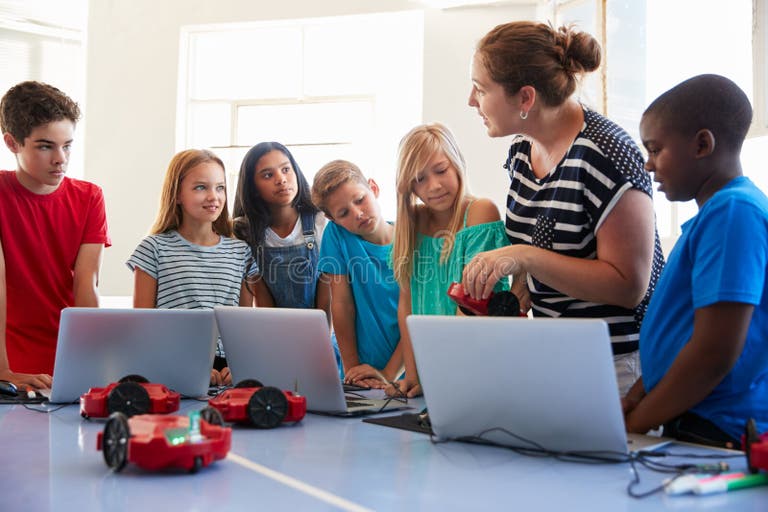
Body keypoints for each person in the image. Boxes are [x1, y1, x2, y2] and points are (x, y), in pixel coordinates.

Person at [462, 21, 664, 394]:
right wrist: (516, 291)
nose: (471, 101)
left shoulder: (607, 154)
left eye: (480, 89)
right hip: (556, 352)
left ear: (525, 98)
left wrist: (524, 257)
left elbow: (628, 286)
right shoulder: (522, 153)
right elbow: (546, 250)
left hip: (617, 365)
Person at [622, 74, 767, 448]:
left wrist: (637, 421)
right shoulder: (715, 215)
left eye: (655, 149)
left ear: (702, 144)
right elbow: (684, 332)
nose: (649, 165)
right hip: (696, 419)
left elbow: (713, 353)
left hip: (721, 429)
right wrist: (638, 394)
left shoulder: (733, 212)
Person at [0, 81, 111, 389]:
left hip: (69, 358)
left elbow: (86, 284)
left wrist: (94, 361)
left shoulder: (90, 197)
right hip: (9, 364)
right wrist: (3, 373)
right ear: (12, 143)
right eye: (45, 146)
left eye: (68, 145)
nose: (61, 158)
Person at [390, 122, 510, 397]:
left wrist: (442, 376)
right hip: (432, 372)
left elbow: (469, 305)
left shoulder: (480, 211)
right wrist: (412, 373)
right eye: (419, 179)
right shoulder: (412, 222)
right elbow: (406, 305)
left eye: (441, 170)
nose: (433, 186)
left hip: (474, 367)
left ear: (457, 163)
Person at [126, 149, 256, 386]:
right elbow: (142, 328)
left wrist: (238, 367)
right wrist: (184, 368)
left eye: (220, 187)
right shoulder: (153, 248)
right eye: (200, 187)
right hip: (170, 365)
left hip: (226, 372)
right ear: (176, 195)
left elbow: (242, 328)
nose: (213, 196)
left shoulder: (241, 252)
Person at [232, 142, 340, 372]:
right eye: (267, 175)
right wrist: (275, 346)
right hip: (272, 334)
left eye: (285, 169)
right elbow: (260, 297)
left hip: (320, 334)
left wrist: (318, 344)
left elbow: (326, 295)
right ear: (252, 188)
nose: (281, 179)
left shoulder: (321, 221)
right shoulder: (244, 231)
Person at [312, 160, 402, 389]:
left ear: (373, 188)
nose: (358, 213)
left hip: (403, 372)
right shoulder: (337, 235)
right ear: (334, 220)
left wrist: (389, 373)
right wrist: (353, 372)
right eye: (344, 213)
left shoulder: (409, 236)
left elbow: (415, 311)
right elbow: (341, 304)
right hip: (359, 368)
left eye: (360, 200)